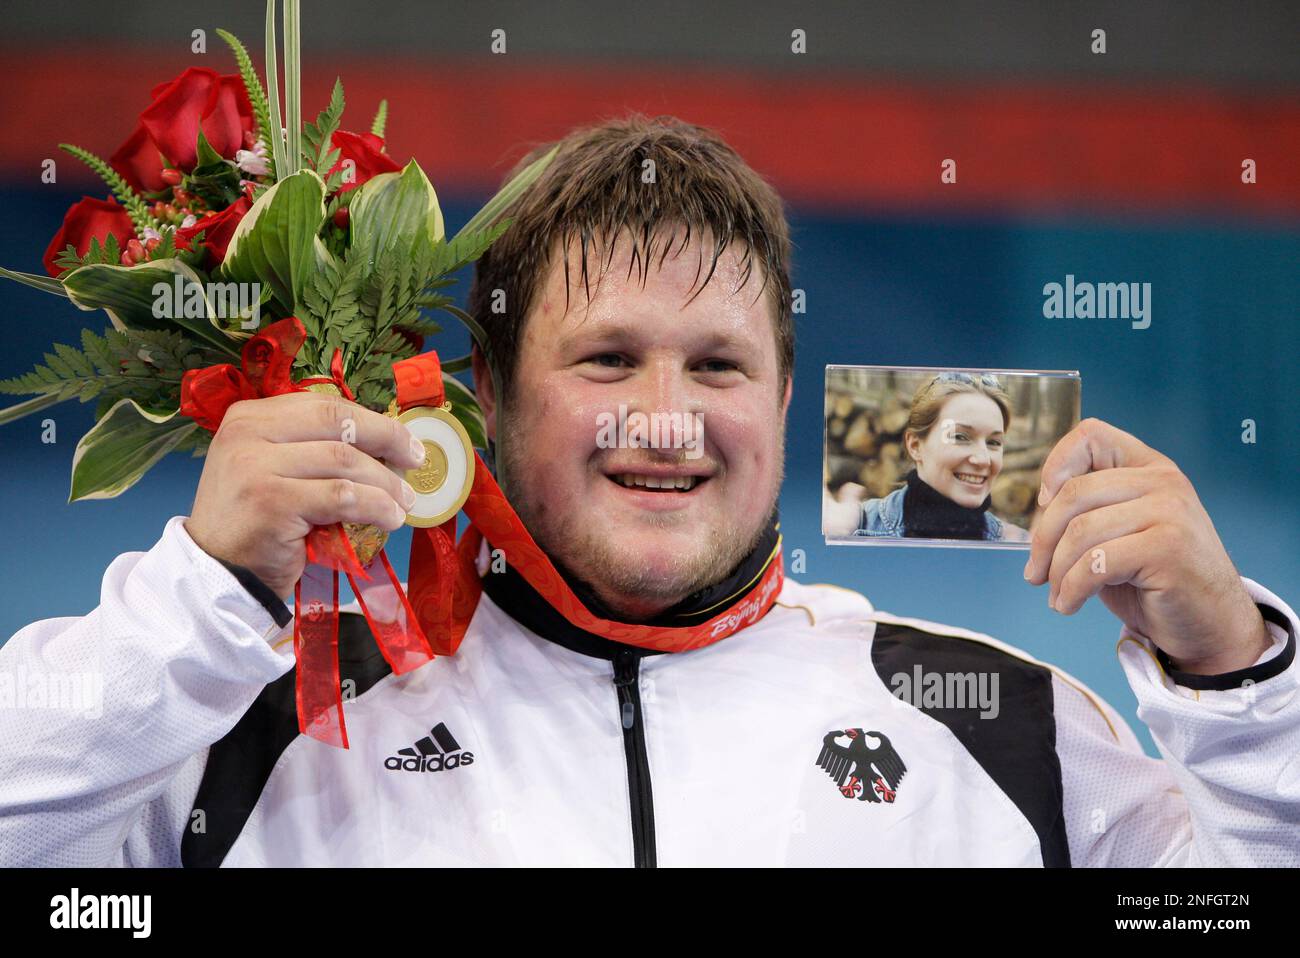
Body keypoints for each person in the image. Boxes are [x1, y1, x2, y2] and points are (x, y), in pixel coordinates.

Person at [0, 115, 1295, 867]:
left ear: (785, 408)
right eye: (608, 356)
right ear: (486, 400)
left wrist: (1236, 673)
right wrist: (208, 599)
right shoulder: (264, 723)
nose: (667, 415)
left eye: (718, 363)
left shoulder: (1004, 731)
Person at [856, 372, 1030, 541]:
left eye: (993, 442)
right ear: (915, 446)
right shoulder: (857, 526)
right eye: (960, 437)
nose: (983, 459)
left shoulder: (1020, 544)